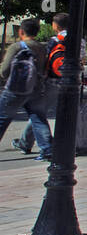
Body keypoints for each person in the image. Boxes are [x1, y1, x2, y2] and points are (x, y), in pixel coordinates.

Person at [14, 12, 69, 156]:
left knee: (37, 112)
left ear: (55, 25)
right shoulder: (78, 40)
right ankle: (26, 142)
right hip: (71, 82)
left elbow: (46, 60)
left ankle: (44, 147)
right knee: (42, 112)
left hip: (52, 80)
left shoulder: (55, 40)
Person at [0, 19, 53, 161]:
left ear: (21, 31)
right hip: (35, 89)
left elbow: (4, 71)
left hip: (15, 89)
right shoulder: (42, 48)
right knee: (38, 118)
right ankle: (48, 149)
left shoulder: (16, 47)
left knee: (2, 118)